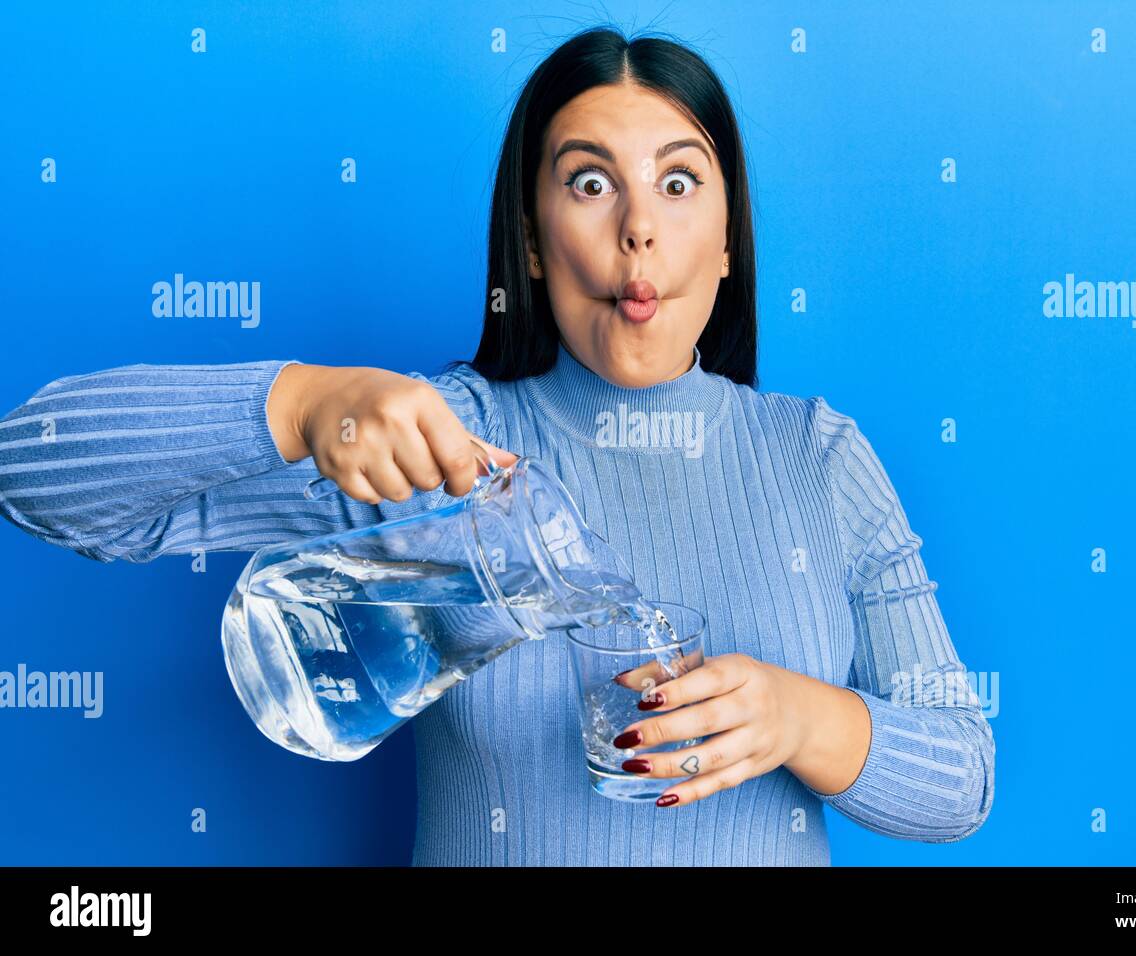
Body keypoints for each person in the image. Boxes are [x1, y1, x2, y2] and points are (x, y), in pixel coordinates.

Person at [0, 26, 993, 866]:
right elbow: (29, 470)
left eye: (680, 182)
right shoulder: (434, 445)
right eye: (591, 182)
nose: (638, 228)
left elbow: (962, 775)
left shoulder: (815, 456)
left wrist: (795, 717)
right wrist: (301, 401)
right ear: (530, 240)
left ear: (729, 240)